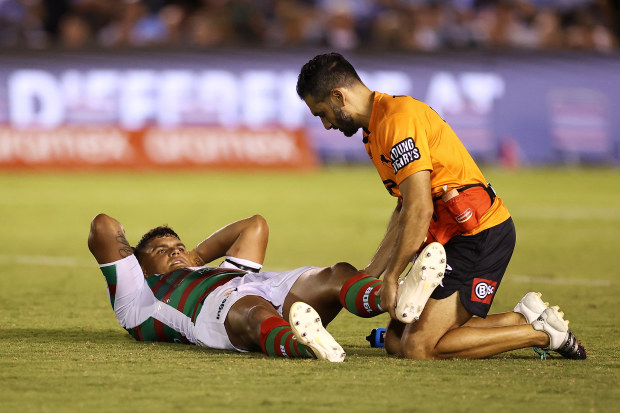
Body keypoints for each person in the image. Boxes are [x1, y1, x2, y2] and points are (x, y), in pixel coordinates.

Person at [296, 52, 586, 360]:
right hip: (449, 238)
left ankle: (542, 335)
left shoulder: (398, 120)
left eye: (322, 113)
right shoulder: (375, 132)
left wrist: (393, 275)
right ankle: (523, 318)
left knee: (418, 347)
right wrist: (374, 271)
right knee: (395, 341)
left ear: (338, 96)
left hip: (477, 234)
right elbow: (404, 206)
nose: (326, 125)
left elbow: (421, 208)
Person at [88, 213, 395, 362]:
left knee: (337, 274)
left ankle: (388, 298)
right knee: (253, 312)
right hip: (209, 312)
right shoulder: (136, 298)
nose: (175, 251)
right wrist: (134, 265)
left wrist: (193, 258)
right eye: (161, 250)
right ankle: (304, 344)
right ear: (139, 266)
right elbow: (104, 225)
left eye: (179, 247)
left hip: (256, 285)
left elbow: (255, 225)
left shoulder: (216, 271)